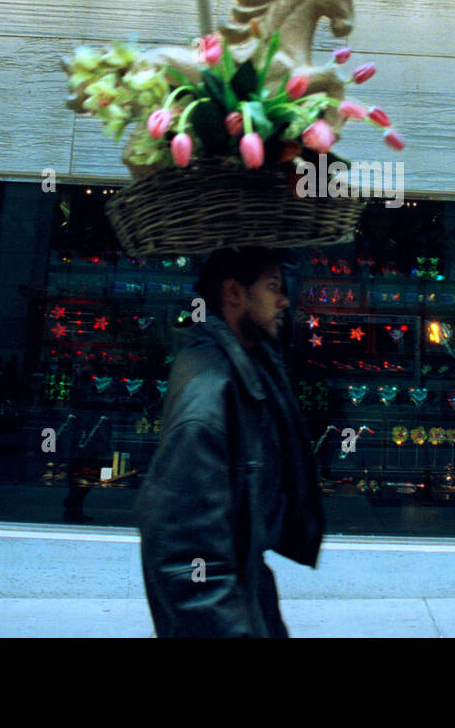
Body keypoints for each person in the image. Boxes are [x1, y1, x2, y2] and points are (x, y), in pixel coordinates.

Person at [135, 246, 324, 637]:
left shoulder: (244, 369)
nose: (284, 300)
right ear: (234, 294)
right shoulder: (210, 392)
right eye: (273, 287)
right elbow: (184, 558)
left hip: (246, 597)